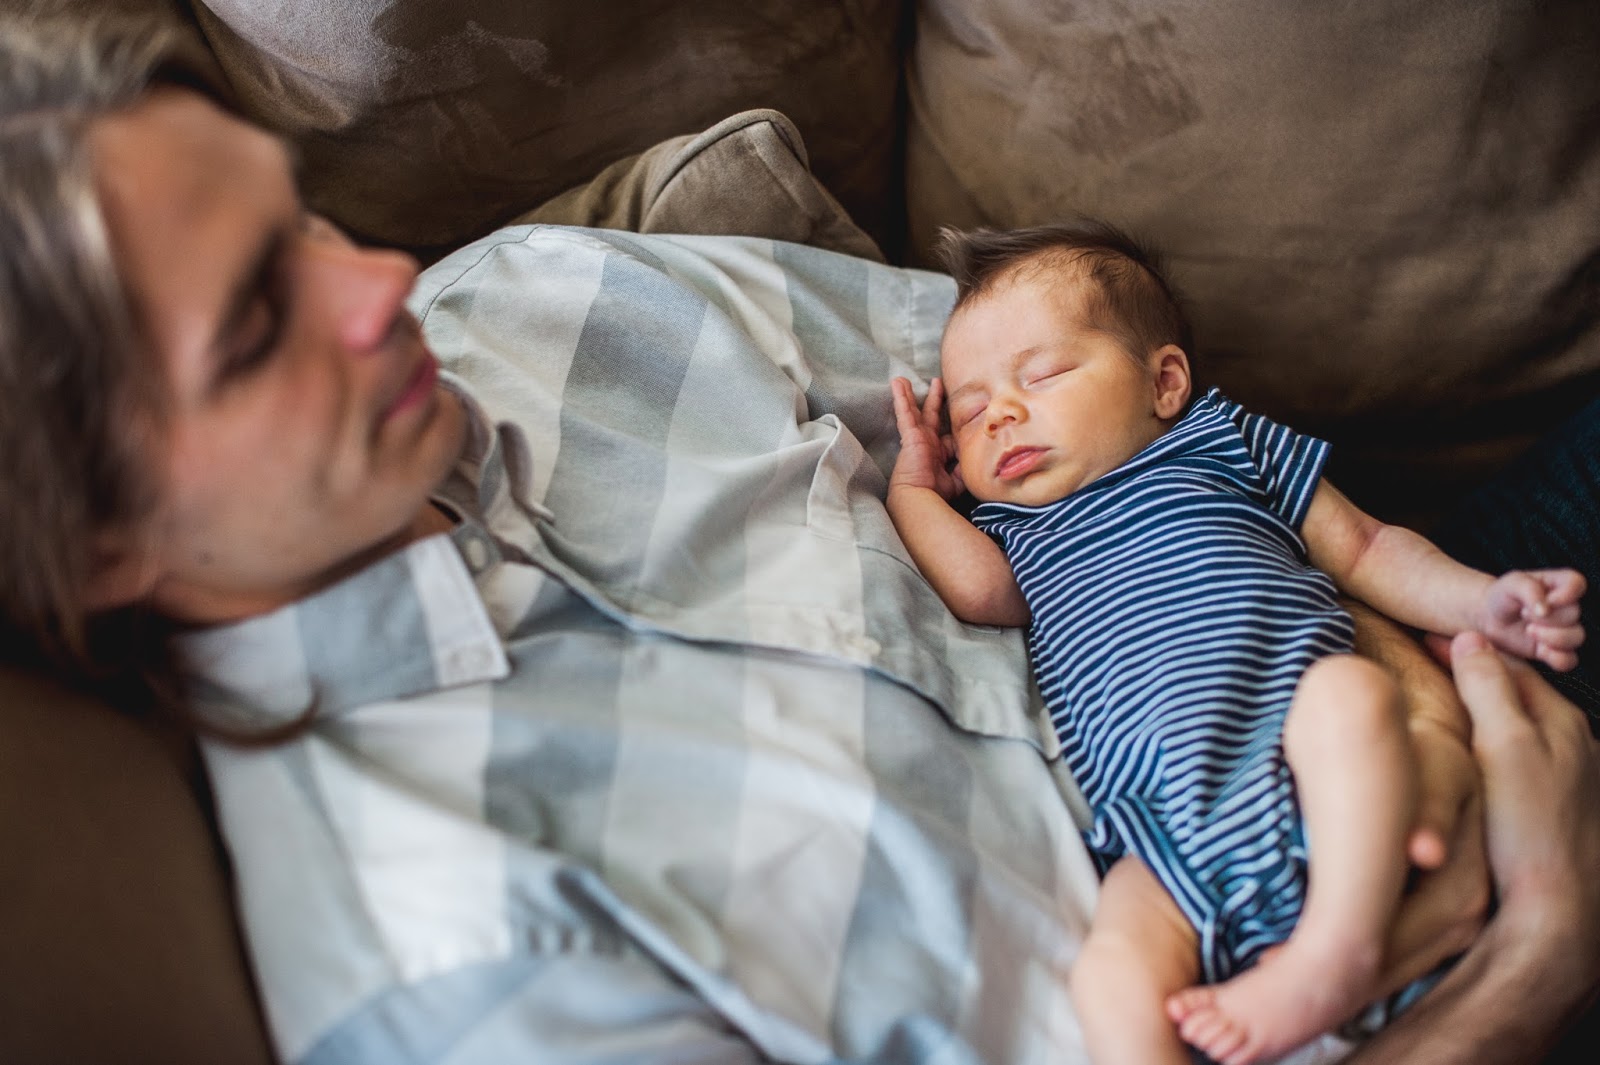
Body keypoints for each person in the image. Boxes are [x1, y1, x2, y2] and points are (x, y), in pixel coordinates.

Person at [1, 11, 1598, 1065]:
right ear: (98, 547)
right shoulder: (460, 967)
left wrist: (1403, 680)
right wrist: (1518, 979)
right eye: (257, 324)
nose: (374, 281)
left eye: (299, 218)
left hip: (1376, 642)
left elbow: (1124, 447)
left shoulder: (549, 295)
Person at [884, 222, 1584, 1065]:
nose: (1000, 412)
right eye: (969, 410)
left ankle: (1337, 950)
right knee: (1109, 976)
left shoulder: (1221, 443)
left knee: (1352, 696)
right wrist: (913, 484)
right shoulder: (1015, 528)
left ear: (1165, 382)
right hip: (1161, 838)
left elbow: (1364, 547)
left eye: (1045, 374)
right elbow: (977, 589)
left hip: (1301, 753)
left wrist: (1485, 602)